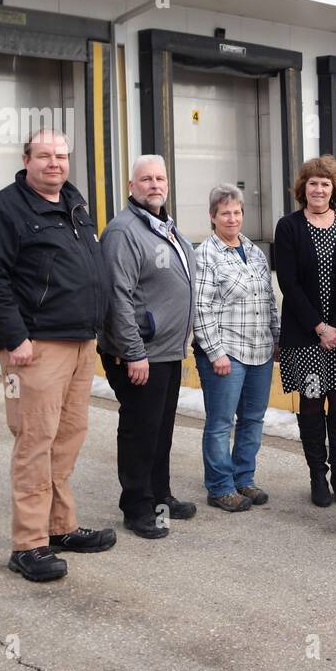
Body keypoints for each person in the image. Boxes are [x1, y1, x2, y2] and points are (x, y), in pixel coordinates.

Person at [0, 129, 114, 583]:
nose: (55, 163)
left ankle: (60, 526)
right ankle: (28, 544)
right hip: (36, 347)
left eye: (62, 155)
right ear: (26, 159)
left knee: (68, 436)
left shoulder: (75, 206)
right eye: (45, 155)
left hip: (80, 341)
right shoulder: (3, 209)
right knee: (35, 440)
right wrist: (16, 336)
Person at [99, 154, 198, 540]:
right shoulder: (124, 232)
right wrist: (134, 351)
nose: (155, 184)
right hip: (141, 354)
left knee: (161, 429)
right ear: (131, 187)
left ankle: (160, 496)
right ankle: (137, 506)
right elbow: (117, 297)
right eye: (146, 179)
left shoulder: (165, 227)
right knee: (141, 430)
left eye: (160, 178)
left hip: (169, 352)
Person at [274, 156, 336, 507]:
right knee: (312, 400)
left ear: (335, 189)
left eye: (325, 183)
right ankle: (317, 475)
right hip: (305, 335)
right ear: (303, 188)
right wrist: (319, 327)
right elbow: (289, 282)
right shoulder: (288, 226)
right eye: (312, 183)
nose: (318, 189)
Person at [193, 184, 279, 513]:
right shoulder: (206, 255)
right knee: (220, 422)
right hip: (226, 352)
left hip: (260, 350)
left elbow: (269, 299)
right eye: (225, 212)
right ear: (213, 217)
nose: (232, 218)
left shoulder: (255, 252)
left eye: (237, 212)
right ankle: (220, 486)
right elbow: (201, 309)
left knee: (253, 419)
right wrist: (215, 353)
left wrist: (277, 337)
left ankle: (244, 478)